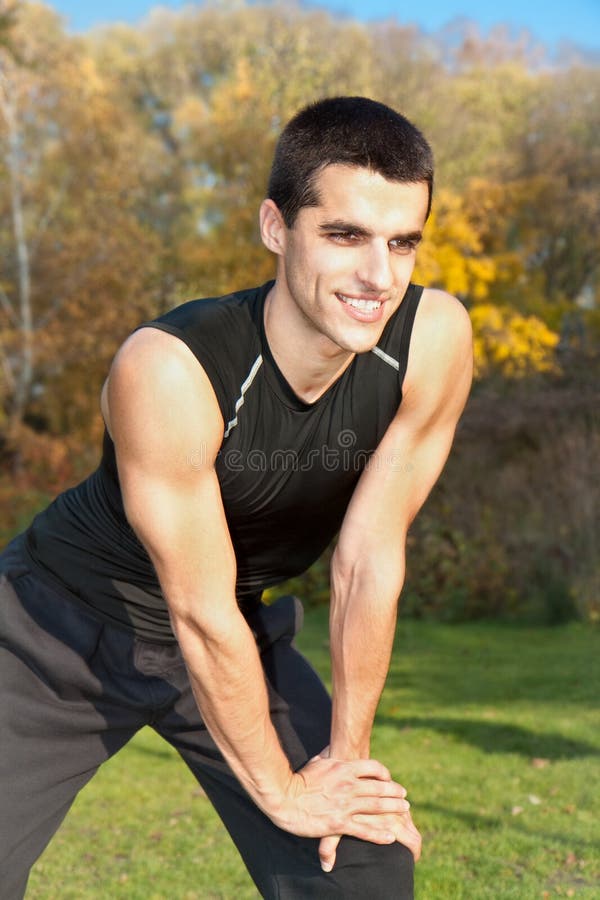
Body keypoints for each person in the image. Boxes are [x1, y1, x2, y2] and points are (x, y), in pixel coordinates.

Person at [0, 96, 472, 899]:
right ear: (275, 227)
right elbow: (198, 612)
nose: (379, 276)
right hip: (55, 632)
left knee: (362, 863)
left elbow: (367, 562)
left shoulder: (433, 341)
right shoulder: (171, 369)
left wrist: (343, 768)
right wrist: (283, 793)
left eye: (403, 242)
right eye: (345, 236)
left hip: (236, 630)